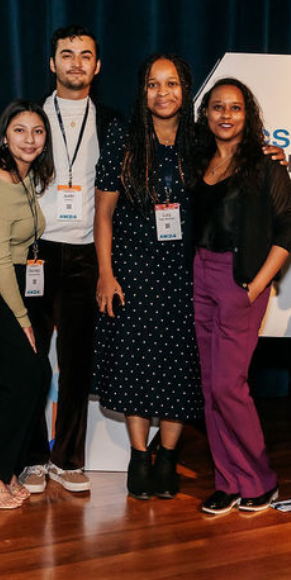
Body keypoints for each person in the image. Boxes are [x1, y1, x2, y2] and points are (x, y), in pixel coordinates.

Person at [17, 25, 122, 495]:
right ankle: (32, 458)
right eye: (66, 54)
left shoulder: (113, 123)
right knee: (32, 361)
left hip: (86, 254)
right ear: (52, 63)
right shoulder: (29, 117)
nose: (75, 63)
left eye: (85, 55)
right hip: (35, 251)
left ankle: (68, 459)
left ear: (97, 66)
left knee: (77, 364)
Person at [94, 54, 204, 500]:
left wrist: (272, 155)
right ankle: (140, 456)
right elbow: (103, 214)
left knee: (180, 366)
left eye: (171, 83)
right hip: (132, 270)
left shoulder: (200, 141)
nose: (163, 93)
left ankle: (168, 457)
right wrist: (106, 274)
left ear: (185, 89)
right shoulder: (122, 137)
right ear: (143, 91)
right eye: (153, 84)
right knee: (135, 363)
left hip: (186, 273)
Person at [192, 79, 291, 514]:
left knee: (228, 385)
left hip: (240, 280)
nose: (225, 115)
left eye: (235, 108)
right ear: (206, 114)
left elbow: (289, 227)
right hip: (199, 276)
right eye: (217, 107)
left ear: (247, 115)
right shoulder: (199, 159)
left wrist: (257, 285)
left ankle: (260, 479)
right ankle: (229, 481)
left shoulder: (266, 165)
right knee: (210, 388)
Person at [0, 100, 53, 509]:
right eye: (20, 130)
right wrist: (22, 319)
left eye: (38, 131)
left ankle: (6, 466)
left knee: (35, 375)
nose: (30, 139)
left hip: (20, 284)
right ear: (3, 136)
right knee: (25, 379)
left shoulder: (24, 176)